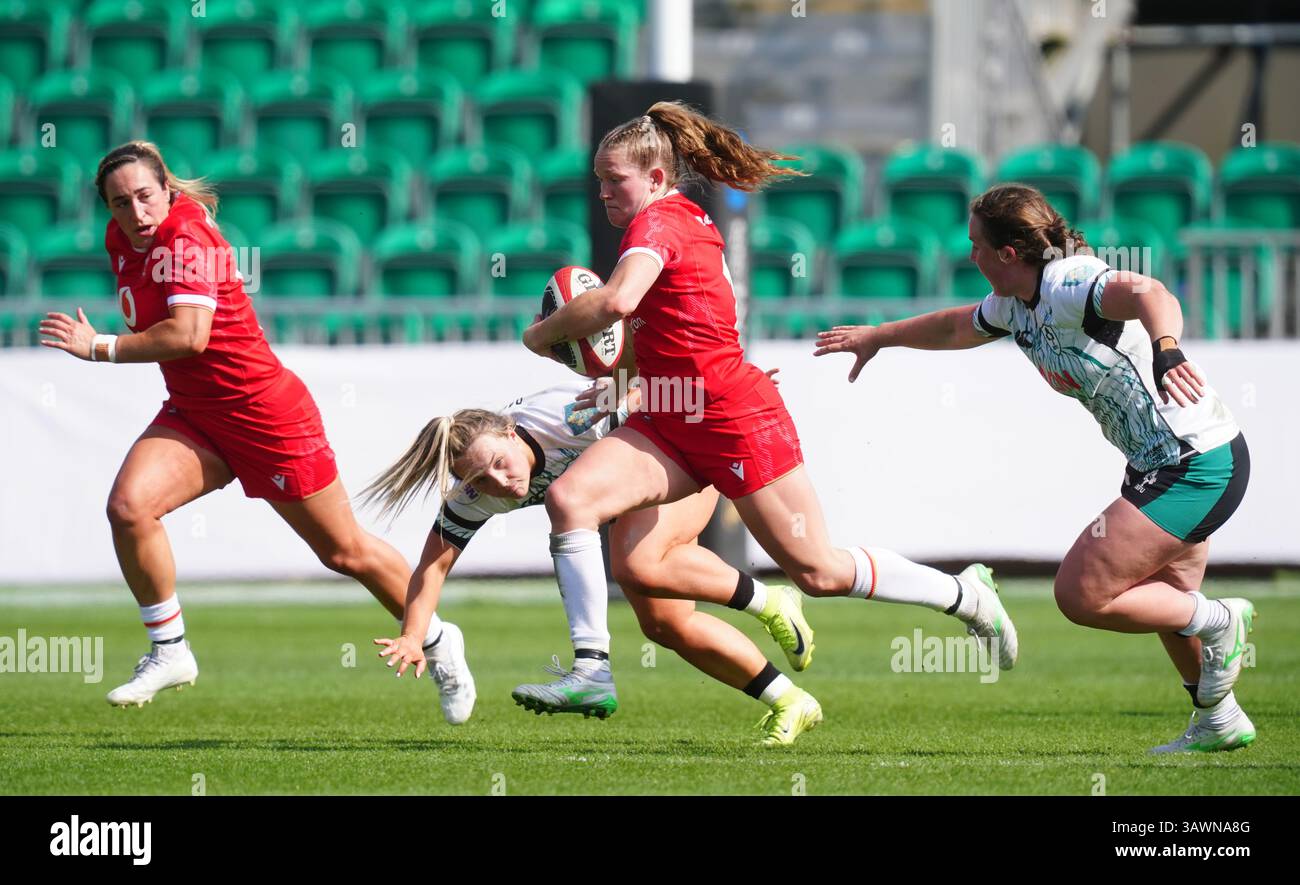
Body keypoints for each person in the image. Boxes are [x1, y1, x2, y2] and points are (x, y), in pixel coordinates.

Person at [520, 103, 1018, 744]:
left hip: (732, 416)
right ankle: (592, 669)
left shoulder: (661, 224)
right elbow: (656, 329)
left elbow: (616, 303)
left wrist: (540, 334)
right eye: (598, 180)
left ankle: (963, 593)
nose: (604, 191)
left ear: (656, 177)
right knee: (581, 509)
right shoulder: (663, 222)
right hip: (672, 415)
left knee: (820, 573)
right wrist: (621, 388)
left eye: (615, 178)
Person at [814, 183, 1254, 753]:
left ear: (1010, 253)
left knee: (1081, 594)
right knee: (1164, 598)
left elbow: (1152, 291)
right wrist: (879, 337)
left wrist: (1167, 347)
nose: (969, 255)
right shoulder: (1012, 305)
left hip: (1197, 460)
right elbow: (952, 327)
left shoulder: (1068, 283)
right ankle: (1219, 719)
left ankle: (1223, 620)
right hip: (1159, 463)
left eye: (977, 245)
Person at [38, 141, 424, 709]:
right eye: (121, 203)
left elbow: (188, 335)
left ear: (166, 189)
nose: (137, 212)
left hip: (265, 414)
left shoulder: (187, 239)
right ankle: (169, 650)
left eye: (146, 195)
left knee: (345, 553)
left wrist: (98, 346)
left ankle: (436, 638)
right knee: (128, 508)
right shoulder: (121, 240)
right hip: (195, 413)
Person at [363, 377, 823, 744]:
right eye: (482, 479)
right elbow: (432, 567)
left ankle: (769, 599)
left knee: (636, 564)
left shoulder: (564, 416)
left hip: (681, 460)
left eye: (501, 462)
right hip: (629, 497)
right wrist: (412, 634)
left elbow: (652, 388)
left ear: (509, 429)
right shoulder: (472, 498)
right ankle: (790, 700)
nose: (501, 481)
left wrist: (730, 392)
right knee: (664, 624)